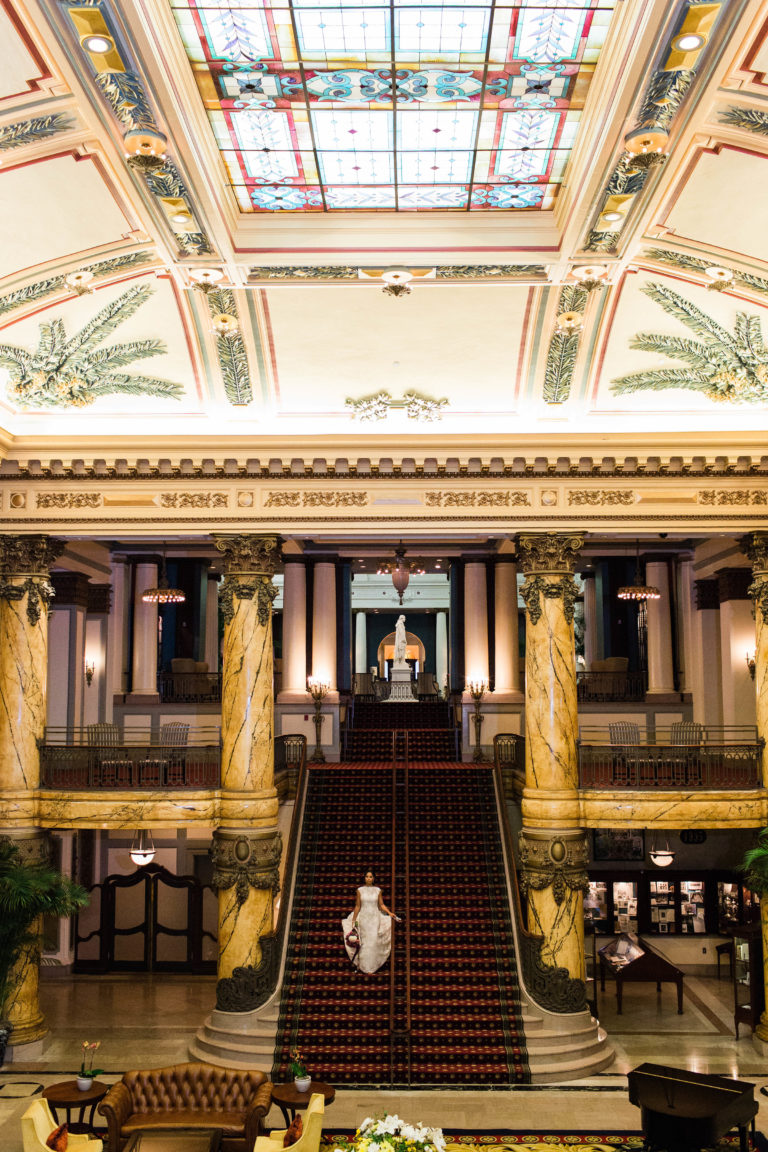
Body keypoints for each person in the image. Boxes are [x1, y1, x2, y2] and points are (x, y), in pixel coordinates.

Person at [342, 869, 400, 974]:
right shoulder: (360, 890)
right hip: (364, 918)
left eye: (370, 877)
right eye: (367, 876)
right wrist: (354, 919)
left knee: (373, 941)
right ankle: (364, 966)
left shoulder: (378, 890)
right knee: (365, 942)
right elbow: (358, 905)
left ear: (373, 878)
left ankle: (372, 967)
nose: (368, 878)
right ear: (364, 878)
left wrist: (389, 912)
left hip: (375, 918)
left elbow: (381, 905)